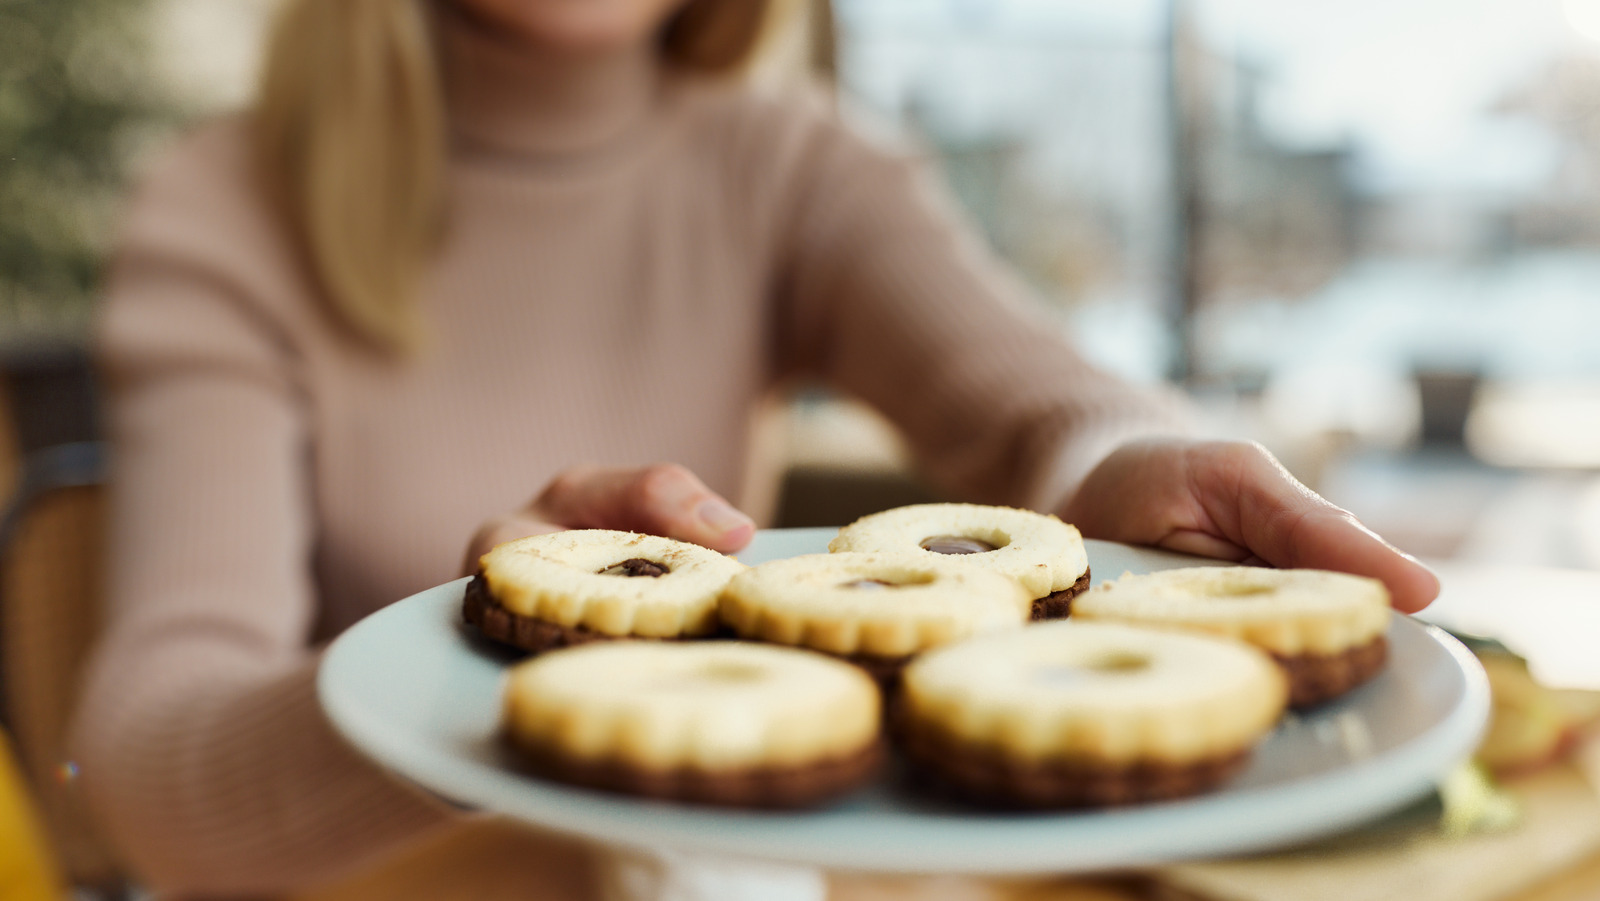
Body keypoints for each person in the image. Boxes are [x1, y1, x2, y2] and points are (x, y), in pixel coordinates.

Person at [70, 0, 1440, 898]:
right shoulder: (227, 203)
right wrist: (469, 654)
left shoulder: (794, 167)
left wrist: (1127, 473)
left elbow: (1039, 403)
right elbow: (146, 782)